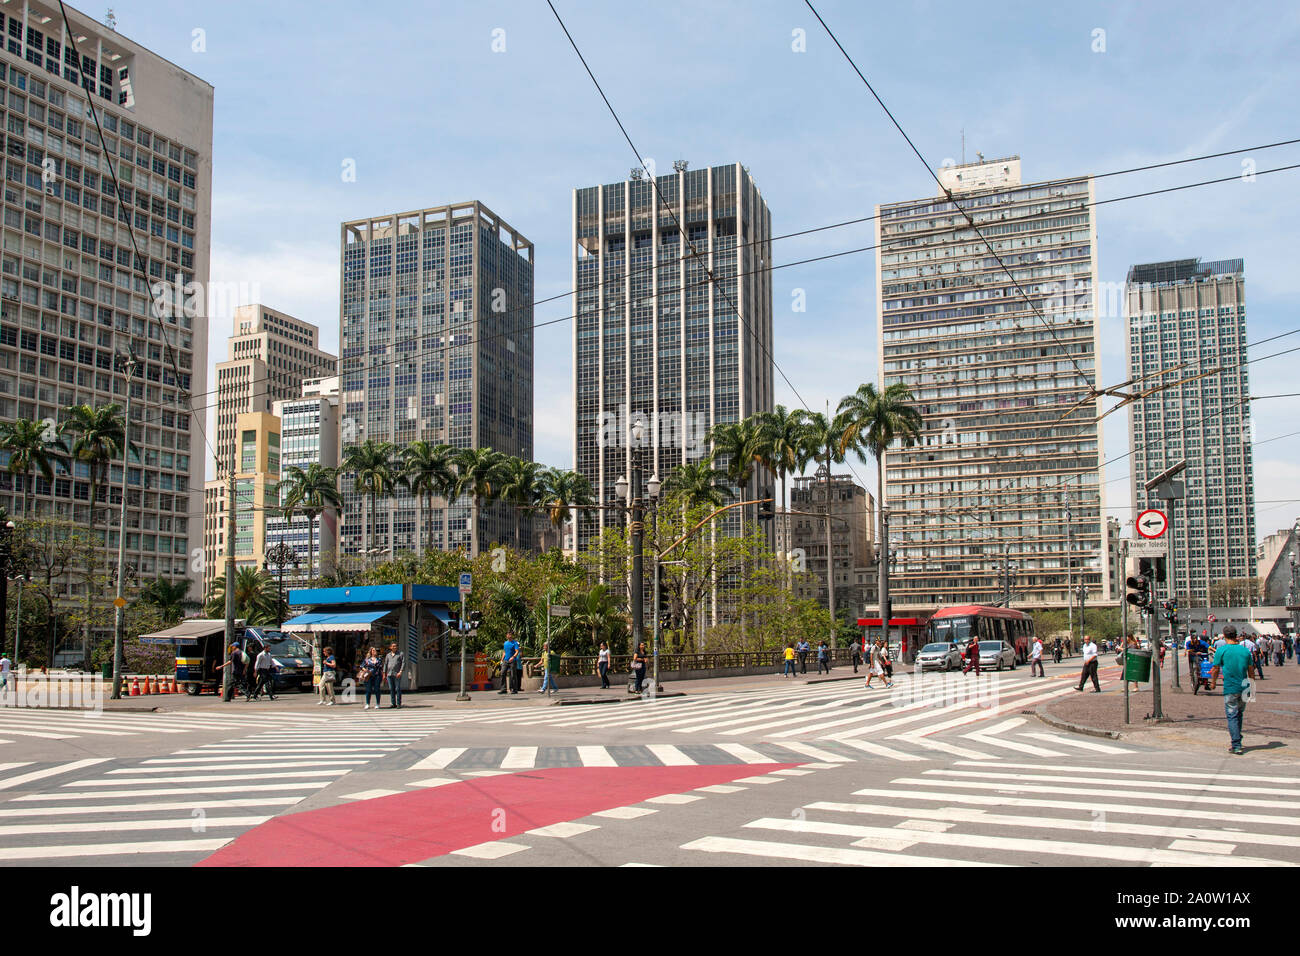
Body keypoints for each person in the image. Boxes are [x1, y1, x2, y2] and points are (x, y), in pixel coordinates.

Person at [1210, 625, 1256, 756]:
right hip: (1245, 687)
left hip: (1230, 688)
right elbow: (1251, 671)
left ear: (1224, 636)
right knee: (1239, 714)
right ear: (1236, 635)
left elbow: (1216, 669)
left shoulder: (1221, 650)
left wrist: (1213, 683)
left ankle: (1236, 744)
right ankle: (1237, 739)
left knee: (1232, 716)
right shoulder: (1245, 651)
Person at [359, 646, 383, 710]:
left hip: (377, 675)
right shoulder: (367, 659)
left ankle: (378, 703)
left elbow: (381, 667)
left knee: (377, 689)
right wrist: (365, 670)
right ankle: (367, 704)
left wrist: (383, 676)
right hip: (369, 676)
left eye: (375, 650)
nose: (375, 652)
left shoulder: (379, 659)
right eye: (373, 650)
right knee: (368, 690)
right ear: (371, 651)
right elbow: (361, 666)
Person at [384, 641, 405, 708]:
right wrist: (384, 673)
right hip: (389, 674)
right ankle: (393, 703)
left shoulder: (400, 654)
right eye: (393, 646)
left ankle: (398, 703)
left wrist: (401, 671)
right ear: (390, 647)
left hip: (397, 674)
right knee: (391, 688)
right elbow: (385, 664)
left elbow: (403, 663)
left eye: (395, 646)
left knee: (397, 688)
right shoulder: (388, 655)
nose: (394, 647)